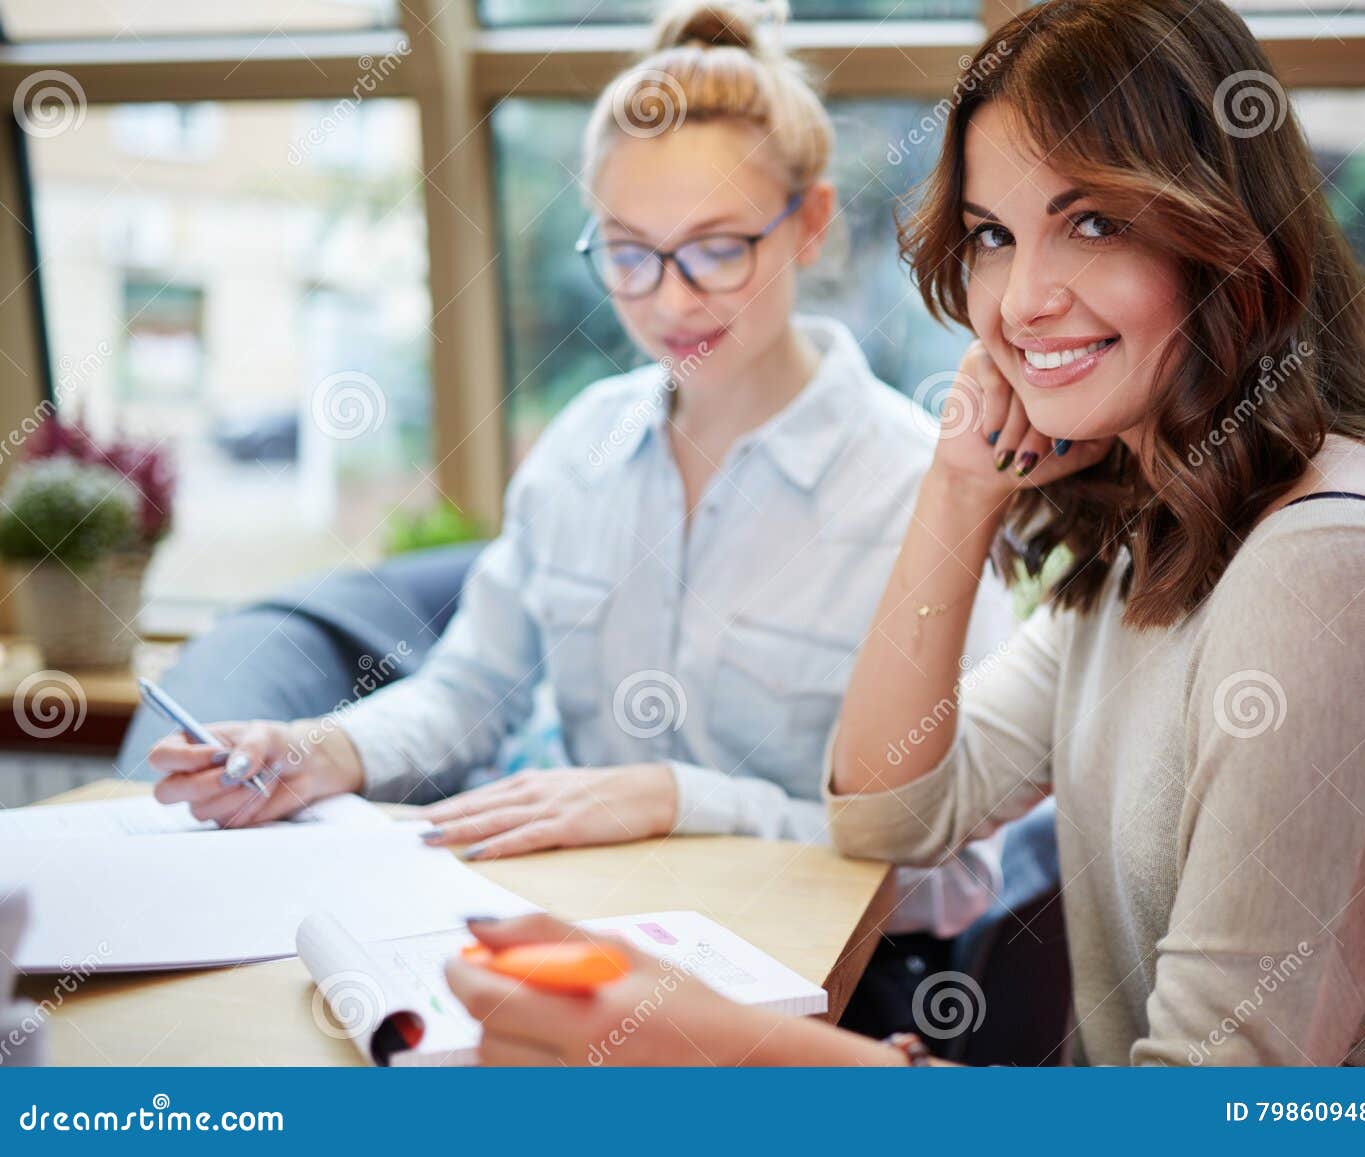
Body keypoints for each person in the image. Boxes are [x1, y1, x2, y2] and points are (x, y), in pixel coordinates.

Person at [442, 0, 1365, 1066]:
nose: (1020, 299)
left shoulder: (1337, 561)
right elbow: (891, 811)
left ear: (1225, 236)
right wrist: (959, 488)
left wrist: (719, 1045)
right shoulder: (1160, 523)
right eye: (992, 234)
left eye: (1091, 222)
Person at [146, 0, 1012, 952]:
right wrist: (322, 750)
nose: (671, 300)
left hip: (813, 995)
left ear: (809, 223)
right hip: (574, 946)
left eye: (719, 249)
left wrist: (683, 800)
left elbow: (953, 877)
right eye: (630, 253)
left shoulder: (919, 491)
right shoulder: (584, 447)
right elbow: (471, 689)